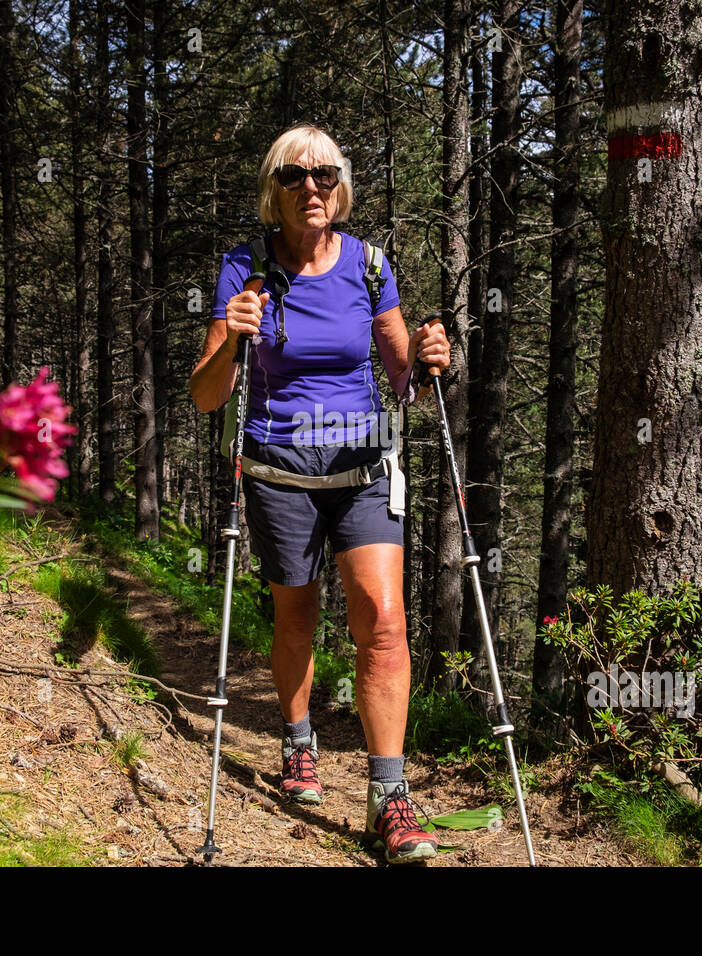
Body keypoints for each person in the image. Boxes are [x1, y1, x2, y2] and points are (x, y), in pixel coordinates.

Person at [189, 123, 451, 864]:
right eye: (296, 177)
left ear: (342, 186)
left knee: (384, 623)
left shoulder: (370, 265)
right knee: (296, 618)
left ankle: (388, 798)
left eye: (325, 176)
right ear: (273, 190)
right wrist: (235, 338)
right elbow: (208, 397)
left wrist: (431, 362)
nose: (313, 188)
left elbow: (404, 382)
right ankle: (299, 739)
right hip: (278, 473)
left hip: (364, 468)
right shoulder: (245, 268)